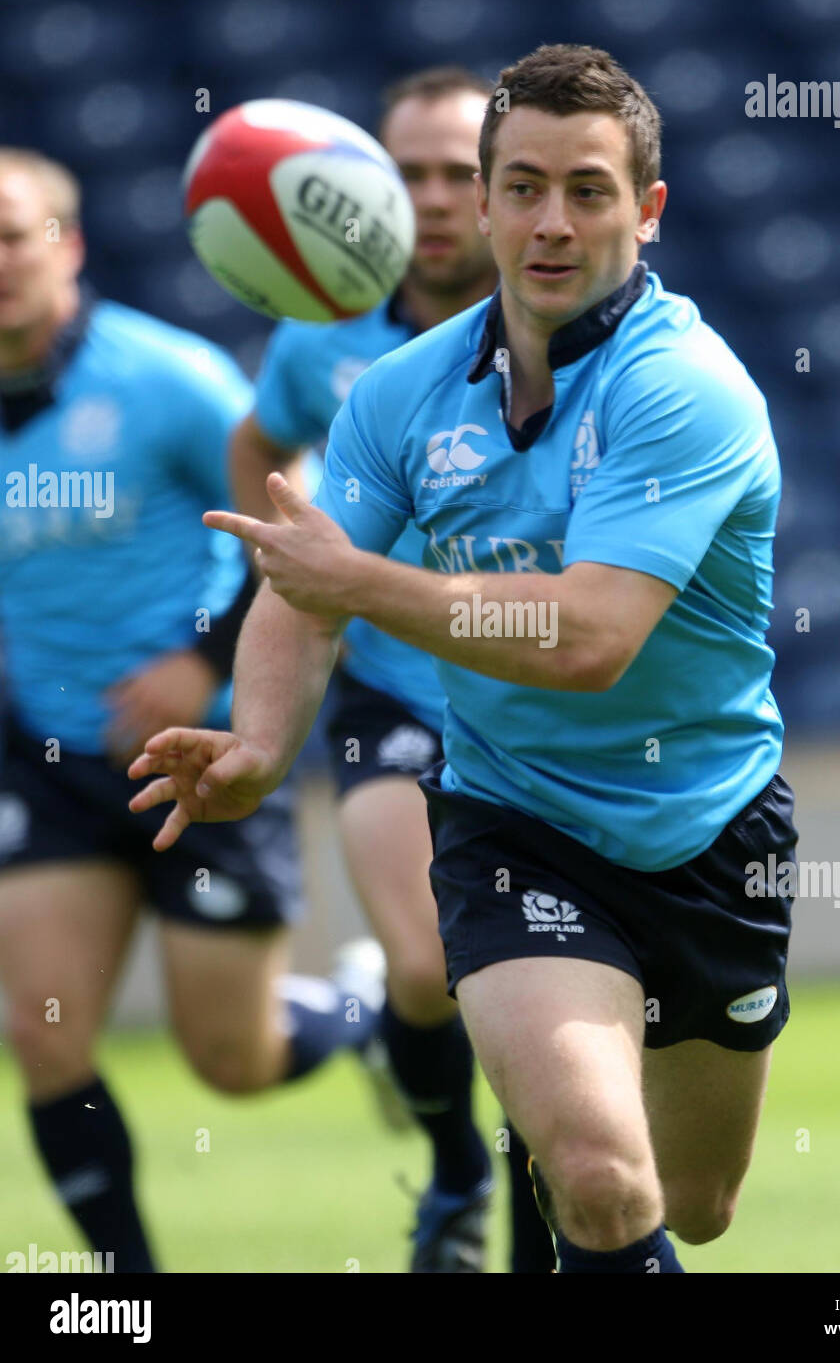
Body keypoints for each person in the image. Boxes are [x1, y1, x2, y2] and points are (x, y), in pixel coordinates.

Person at [129, 43, 800, 1275]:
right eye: (524, 186)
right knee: (598, 1180)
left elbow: (591, 637)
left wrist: (359, 583)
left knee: (693, 1205)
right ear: (483, 203)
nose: (551, 222)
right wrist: (262, 743)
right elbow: (301, 582)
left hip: (709, 831)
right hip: (512, 821)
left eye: (588, 190)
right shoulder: (396, 394)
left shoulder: (687, 389)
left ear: (646, 212)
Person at [0, 149, 379, 1274]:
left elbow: (295, 532)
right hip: (47, 761)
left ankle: (356, 1010)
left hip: (207, 748)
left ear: (65, 247)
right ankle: (129, 1295)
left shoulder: (167, 377)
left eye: (12, 236)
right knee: (44, 1032)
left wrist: (195, 656)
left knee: (232, 1061)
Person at [230, 66, 552, 1274]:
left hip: (531, 709)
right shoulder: (319, 333)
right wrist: (261, 584)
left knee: (530, 1012)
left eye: (448, 171)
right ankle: (455, 1170)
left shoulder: (558, 334)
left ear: (490, 188)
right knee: (428, 968)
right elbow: (257, 437)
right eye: (399, 170)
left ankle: (536, 1236)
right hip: (389, 689)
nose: (424, 196)